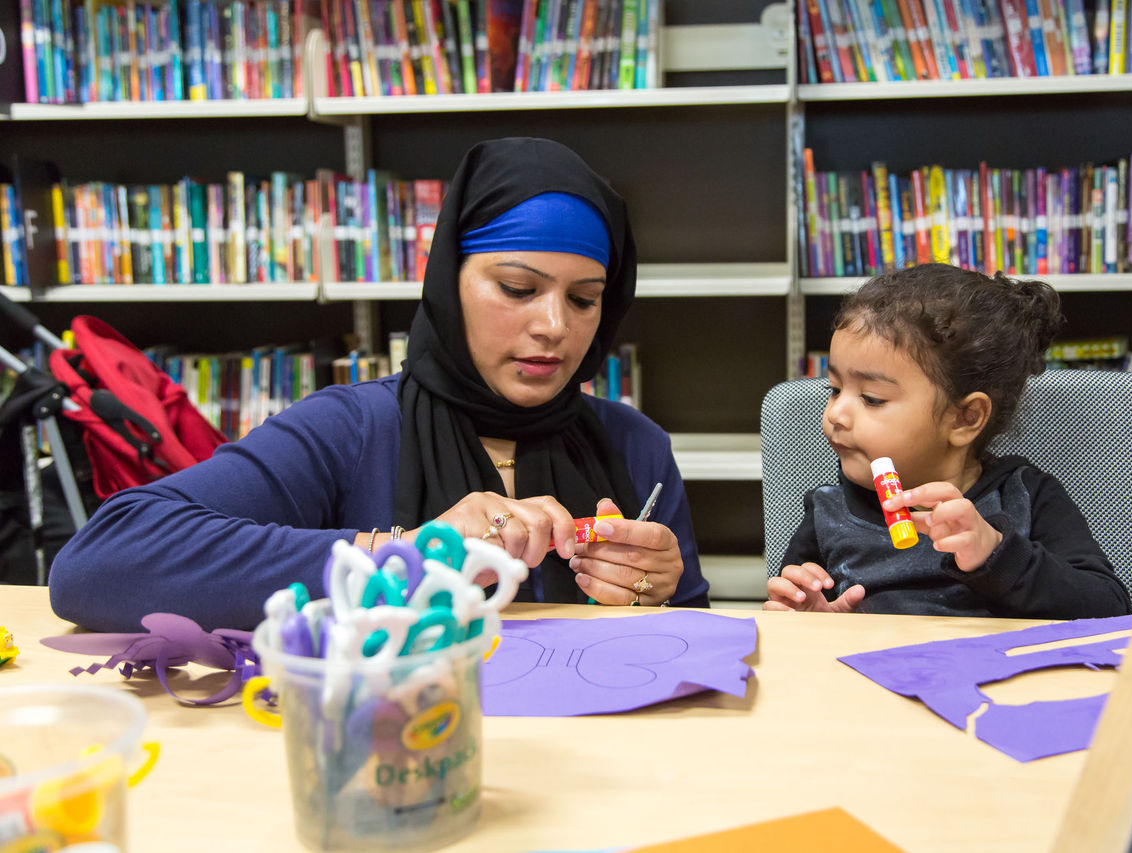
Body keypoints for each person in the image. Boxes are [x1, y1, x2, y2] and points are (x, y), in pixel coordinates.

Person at [50, 137, 708, 632]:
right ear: (448, 280)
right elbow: (98, 563)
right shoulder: (351, 430)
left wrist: (664, 597)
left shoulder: (635, 446)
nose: (554, 326)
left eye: (586, 299)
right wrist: (398, 554)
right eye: (517, 288)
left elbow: (694, 657)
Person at [765, 263, 1131, 619]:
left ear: (965, 418)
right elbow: (798, 625)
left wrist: (996, 554)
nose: (836, 414)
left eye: (872, 398)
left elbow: (1108, 608)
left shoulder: (1024, 496)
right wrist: (809, 617)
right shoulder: (829, 511)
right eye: (835, 389)